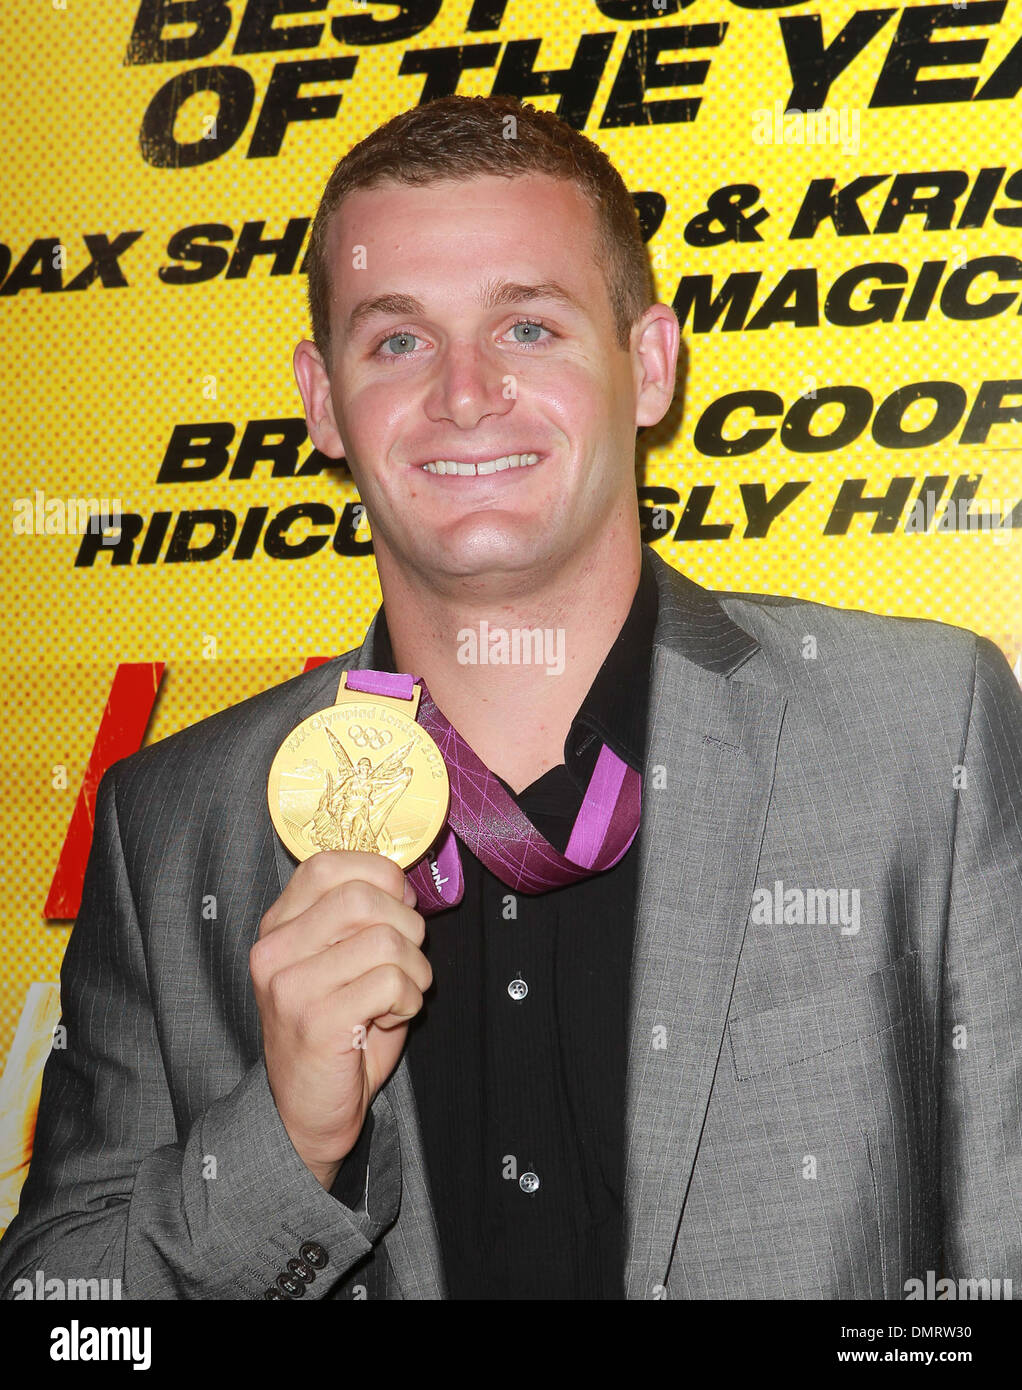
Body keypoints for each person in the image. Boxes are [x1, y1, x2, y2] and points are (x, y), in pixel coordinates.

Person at [1, 95, 1020, 1302]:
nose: (466, 394)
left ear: (647, 363)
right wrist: (280, 1142)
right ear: (321, 399)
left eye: (527, 327)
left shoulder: (916, 730)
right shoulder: (169, 827)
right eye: (396, 342)